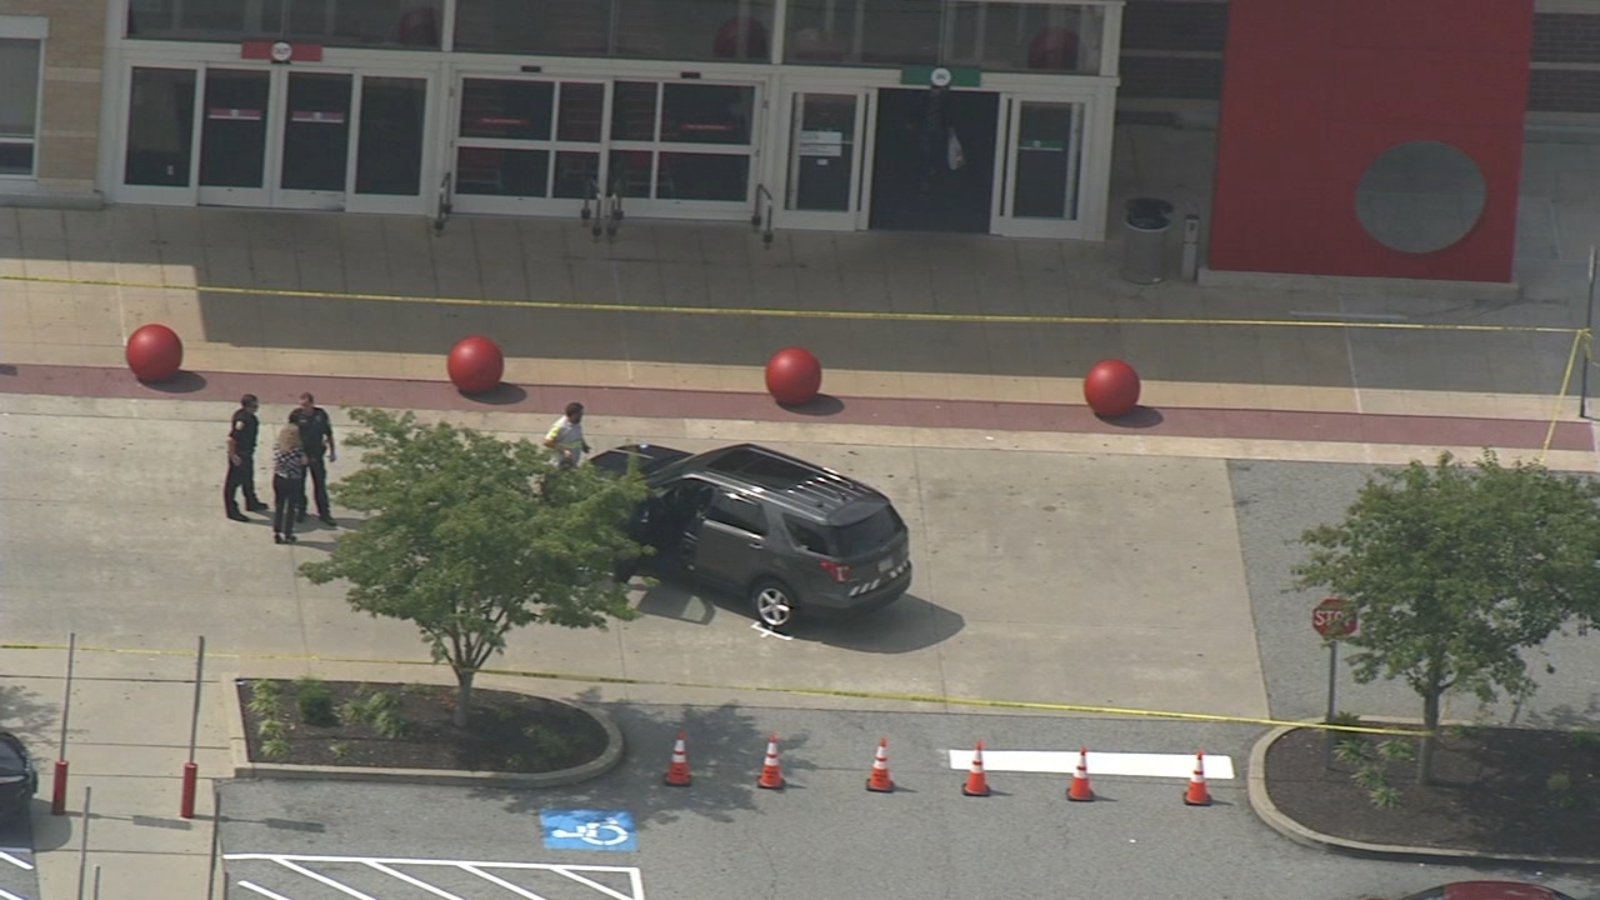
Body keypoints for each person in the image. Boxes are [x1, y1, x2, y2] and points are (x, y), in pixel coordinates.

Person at [289, 392, 337, 527]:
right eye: (301, 405)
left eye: (306, 405)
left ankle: (324, 513)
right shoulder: (296, 415)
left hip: (317, 455)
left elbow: (328, 433)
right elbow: (290, 434)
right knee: (299, 484)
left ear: (311, 403)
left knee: (320, 485)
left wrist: (333, 451)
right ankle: (301, 510)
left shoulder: (320, 415)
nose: (303, 407)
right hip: (301, 455)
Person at [224, 393, 269, 522]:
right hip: (239, 455)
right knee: (233, 484)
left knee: (248, 479)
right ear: (247, 406)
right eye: (254, 406)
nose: (256, 408)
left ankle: (251, 502)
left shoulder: (250, 417)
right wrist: (233, 456)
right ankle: (232, 510)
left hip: (248, 453)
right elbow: (231, 439)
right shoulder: (242, 420)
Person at [271, 423, 308, 544]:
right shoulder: (297, 450)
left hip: (279, 478)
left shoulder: (278, 447)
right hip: (293, 480)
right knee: (291, 508)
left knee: (279, 506)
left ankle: (277, 532)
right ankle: (288, 533)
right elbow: (303, 462)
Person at [544, 401, 591, 468]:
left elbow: (577, 434)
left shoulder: (576, 422)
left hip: (573, 460)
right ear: (574, 415)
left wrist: (584, 445)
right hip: (561, 462)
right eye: (580, 414)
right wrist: (564, 451)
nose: (582, 416)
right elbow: (547, 442)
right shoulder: (560, 426)